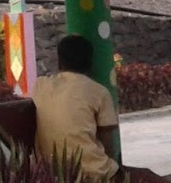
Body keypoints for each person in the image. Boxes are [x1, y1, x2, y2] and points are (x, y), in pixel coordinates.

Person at [32, 35, 156, 183]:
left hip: (50, 171)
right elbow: (108, 143)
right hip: (93, 172)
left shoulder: (40, 85)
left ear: (59, 61)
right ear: (90, 63)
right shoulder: (98, 92)